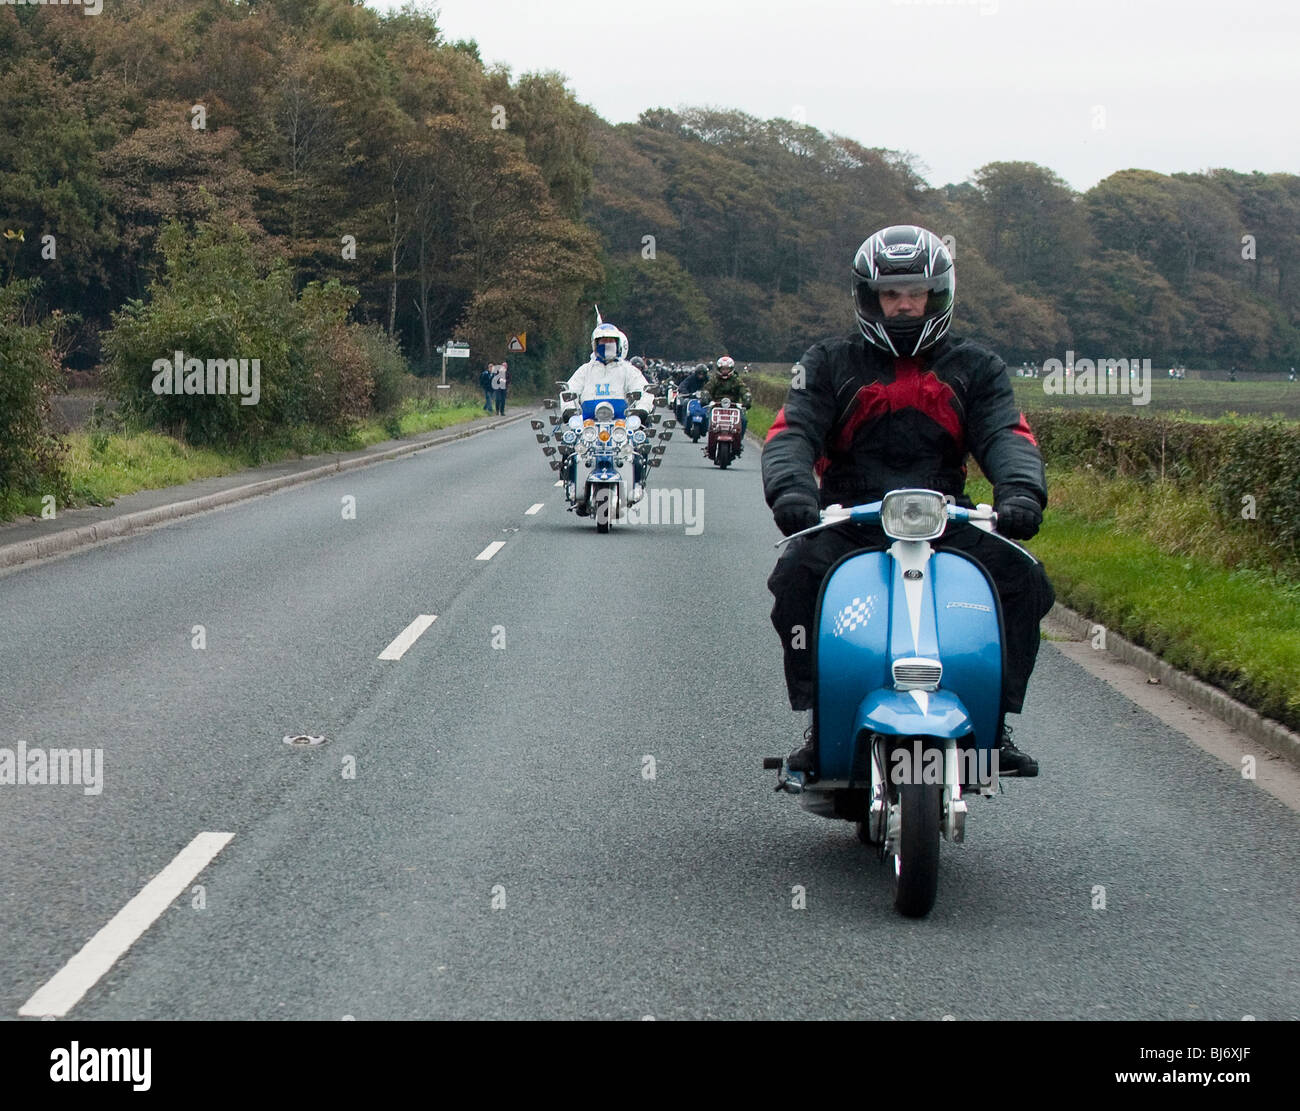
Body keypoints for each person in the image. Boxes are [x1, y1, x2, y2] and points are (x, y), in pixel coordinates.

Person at [763, 224, 1055, 777]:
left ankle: (996, 726)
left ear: (937, 295)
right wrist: (793, 493)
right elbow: (791, 432)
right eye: (890, 295)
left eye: (915, 294)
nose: (903, 307)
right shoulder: (826, 363)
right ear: (868, 297)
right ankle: (820, 724)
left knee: (1025, 582)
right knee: (794, 578)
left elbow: (1006, 436)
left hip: (946, 515)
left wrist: (1019, 494)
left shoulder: (978, 367)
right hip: (850, 515)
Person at [561, 320, 653, 506]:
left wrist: (642, 410)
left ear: (619, 345)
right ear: (595, 345)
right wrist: (569, 410)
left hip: (620, 424)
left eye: (611, 342)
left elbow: (645, 391)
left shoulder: (628, 370)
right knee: (570, 449)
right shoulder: (585, 370)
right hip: (589, 424)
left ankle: (637, 485)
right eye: (603, 342)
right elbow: (568, 391)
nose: (607, 346)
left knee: (639, 449)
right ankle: (571, 485)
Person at [703, 355, 752, 454]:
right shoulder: (714, 379)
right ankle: (710, 443)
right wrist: (705, 397)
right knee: (708, 420)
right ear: (719, 369)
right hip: (716, 406)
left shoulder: (736, 380)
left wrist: (746, 399)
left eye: (727, 369)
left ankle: (739, 440)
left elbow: (744, 389)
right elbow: (707, 389)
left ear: (731, 369)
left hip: (734, 406)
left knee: (743, 420)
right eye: (723, 369)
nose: (725, 371)